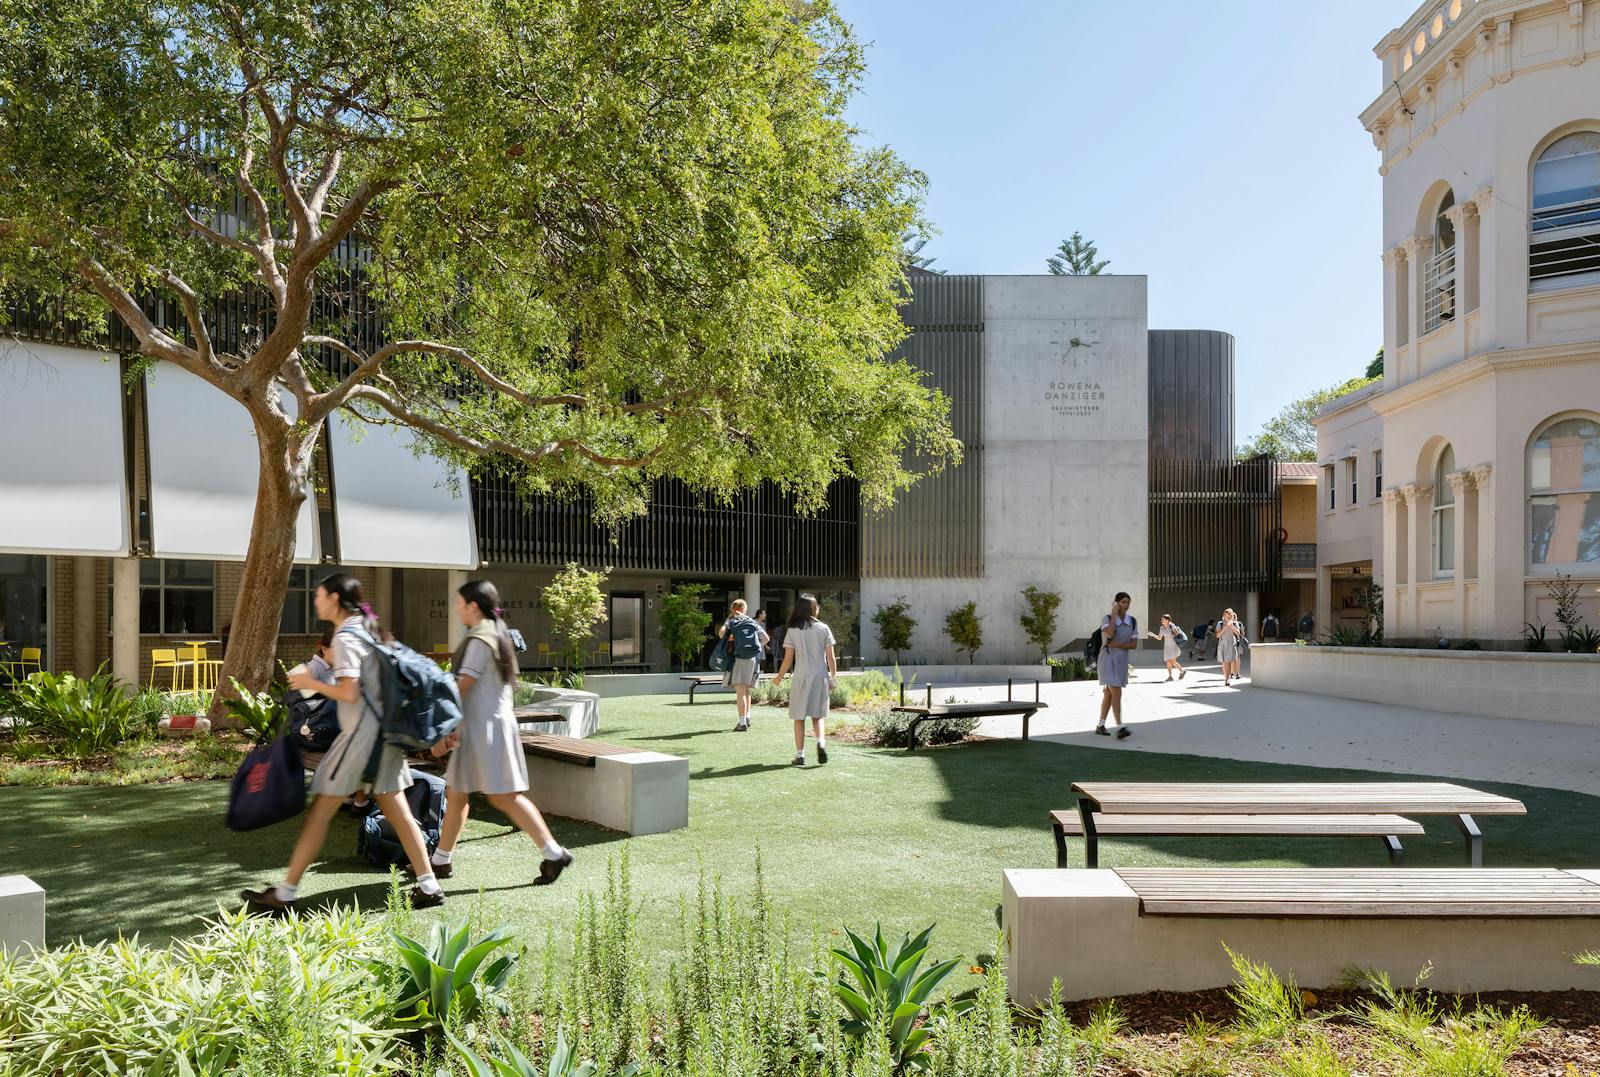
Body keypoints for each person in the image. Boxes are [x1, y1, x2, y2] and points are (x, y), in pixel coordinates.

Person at [243, 573, 443, 914]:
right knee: (399, 811)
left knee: (320, 813)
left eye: (320, 595)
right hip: (385, 737)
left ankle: (286, 894)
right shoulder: (370, 630)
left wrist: (310, 681)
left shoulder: (346, 638)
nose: (316, 600)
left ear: (334, 599)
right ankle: (429, 885)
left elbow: (349, 692)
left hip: (360, 740)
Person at [428, 580, 573, 885]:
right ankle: (441, 860)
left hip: (485, 729)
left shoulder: (482, 638)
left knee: (504, 796)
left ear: (473, 606)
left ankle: (554, 852)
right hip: (481, 727)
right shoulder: (495, 633)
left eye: (459, 603)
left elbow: (463, 686)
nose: (456, 608)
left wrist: (441, 724)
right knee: (457, 792)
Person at [770, 593, 836, 766]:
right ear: (814, 608)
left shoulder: (793, 630)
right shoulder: (824, 628)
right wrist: (833, 677)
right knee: (818, 716)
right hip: (820, 676)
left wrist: (778, 677)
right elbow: (831, 657)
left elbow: (788, 659)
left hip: (801, 677)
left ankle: (800, 755)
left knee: (799, 718)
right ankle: (821, 742)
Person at [717, 599, 769, 732]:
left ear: (733, 609)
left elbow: (721, 634)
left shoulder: (731, 621)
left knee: (740, 692)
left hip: (739, 658)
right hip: (752, 659)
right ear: (744, 609)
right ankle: (747, 717)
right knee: (747, 690)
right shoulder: (752, 621)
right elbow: (766, 639)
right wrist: (756, 648)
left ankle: (742, 723)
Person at [1096, 592, 1138, 739]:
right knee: (1116, 691)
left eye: (1127, 602)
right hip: (1107, 659)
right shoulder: (1106, 618)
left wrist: (1118, 644)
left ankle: (1100, 725)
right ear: (1116, 603)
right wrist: (1114, 613)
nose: (1125, 605)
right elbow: (1109, 633)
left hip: (1121, 661)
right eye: (1123, 602)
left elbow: (1133, 645)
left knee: (1109, 693)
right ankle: (1120, 726)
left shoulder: (1132, 621)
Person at [1149, 614, 1187, 681]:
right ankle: (1170, 676)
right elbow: (1159, 638)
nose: (1161, 620)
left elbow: (1176, 633)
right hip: (1166, 647)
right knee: (1168, 662)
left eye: (1163, 619)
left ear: (1167, 620)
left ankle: (1182, 672)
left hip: (1173, 646)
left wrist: (1172, 630)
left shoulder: (1171, 625)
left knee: (1173, 662)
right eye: (1162, 619)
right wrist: (1152, 635)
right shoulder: (1162, 628)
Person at [1216, 607, 1245, 686]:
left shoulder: (1235, 623)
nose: (1229, 617)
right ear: (1224, 615)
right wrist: (1225, 628)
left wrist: (1232, 627)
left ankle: (1228, 678)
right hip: (1223, 644)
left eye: (1230, 615)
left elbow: (1238, 633)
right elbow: (1218, 635)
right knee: (1225, 662)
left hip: (1232, 644)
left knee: (1229, 661)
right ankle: (1227, 678)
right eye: (1227, 615)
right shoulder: (1220, 624)